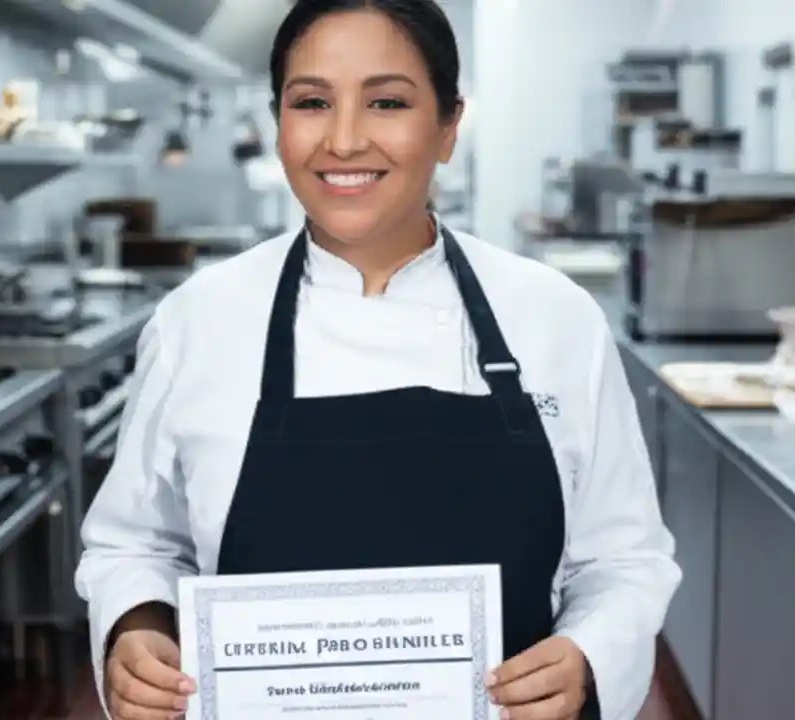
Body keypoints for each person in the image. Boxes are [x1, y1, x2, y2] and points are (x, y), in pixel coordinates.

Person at [75, 1, 681, 718]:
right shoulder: (198, 320)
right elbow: (133, 544)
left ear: (449, 126)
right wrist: (136, 629)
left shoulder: (554, 317)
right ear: (279, 124)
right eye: (312, 103)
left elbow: (622, 560)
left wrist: (589, 658)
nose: (344, 139)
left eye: (387, 101)